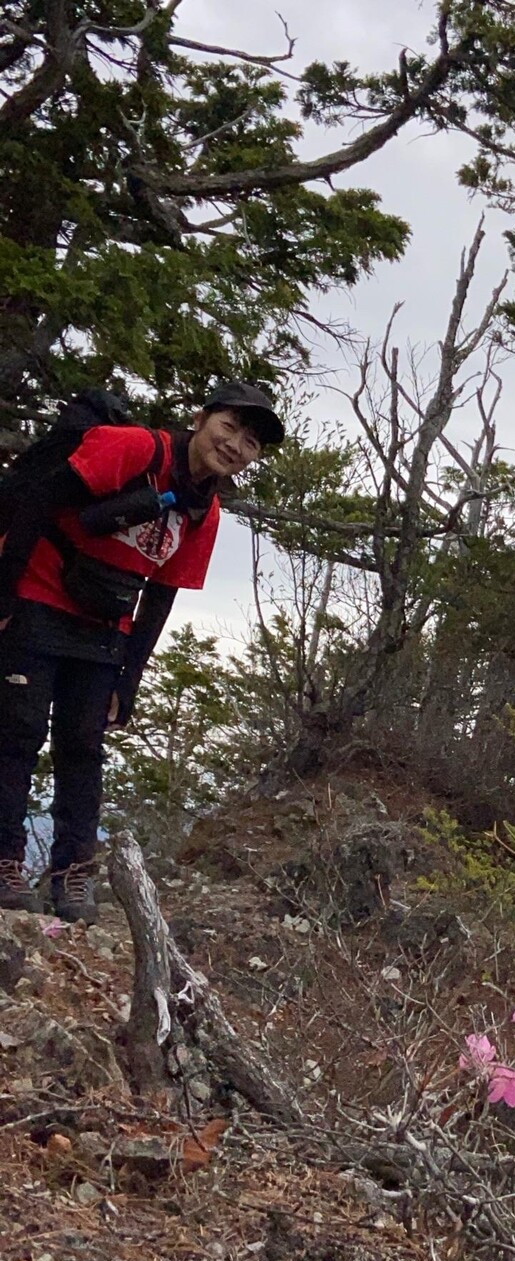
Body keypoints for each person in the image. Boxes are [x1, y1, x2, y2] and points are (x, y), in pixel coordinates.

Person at [0, 382, 285, 922]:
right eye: (228, 427)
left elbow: (161, 595)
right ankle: (4, 863)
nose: (234, 445)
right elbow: (36, 502)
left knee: (84, 747)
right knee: (17, 732)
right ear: (200, 419)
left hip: (106, 624)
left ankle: (72, 875)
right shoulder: (136, 449)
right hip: (38, 593)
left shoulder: (205, 511)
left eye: (250, 443)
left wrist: (128, 680)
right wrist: (4, 594)